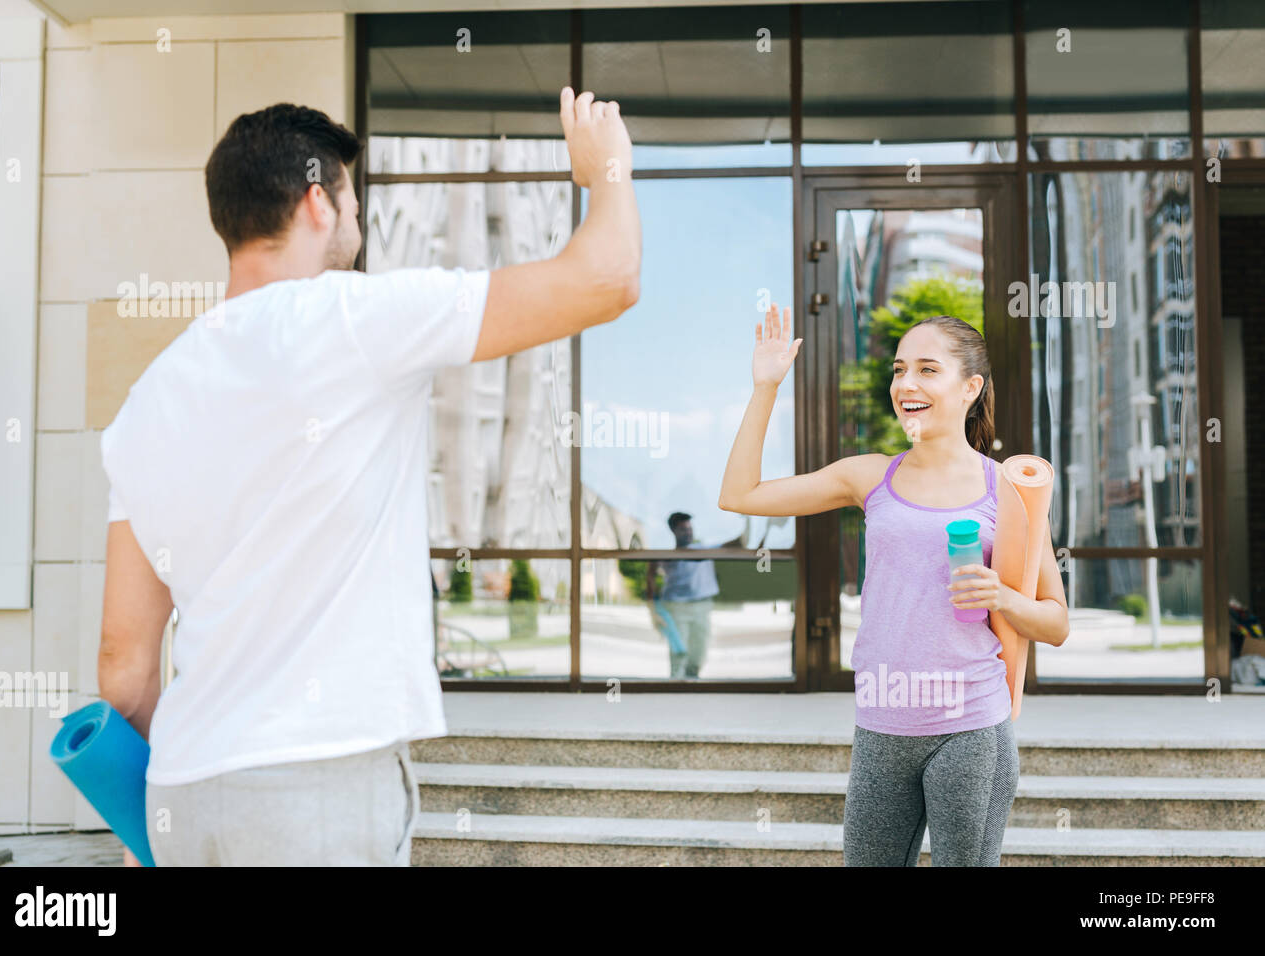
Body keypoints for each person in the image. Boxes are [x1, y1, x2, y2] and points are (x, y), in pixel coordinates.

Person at [97, 88, 639, 866]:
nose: (357, 222)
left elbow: (122, 667)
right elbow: (609, 278)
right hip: (314, 788)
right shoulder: (353, 319)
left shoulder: (146, 403)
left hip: (181, 794)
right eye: (353, 200)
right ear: (319, 200)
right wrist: (607, 167)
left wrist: (139, 820)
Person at [718, 304, 1069, 866]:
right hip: (882, 722)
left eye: (928, 369)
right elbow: (740, 496)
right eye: (900, 368)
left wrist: (1000, 597)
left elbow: (1056, 622)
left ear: (970, 387)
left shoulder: (1008, 491)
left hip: (970, 724)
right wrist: (765, 388)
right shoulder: (868, 476)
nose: (907, 382)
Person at [646, 513, 720, 678]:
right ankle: (677, 684)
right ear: (673, 531)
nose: (688, 532)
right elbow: (650, 573)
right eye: (683, 529)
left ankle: (691, 680)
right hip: (676, 606)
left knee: (699, 651)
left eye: (690, 528)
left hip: (702, 606)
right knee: (679, 650)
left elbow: (736, 544)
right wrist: (653, 605)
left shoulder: (703, 550)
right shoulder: (668, 554)